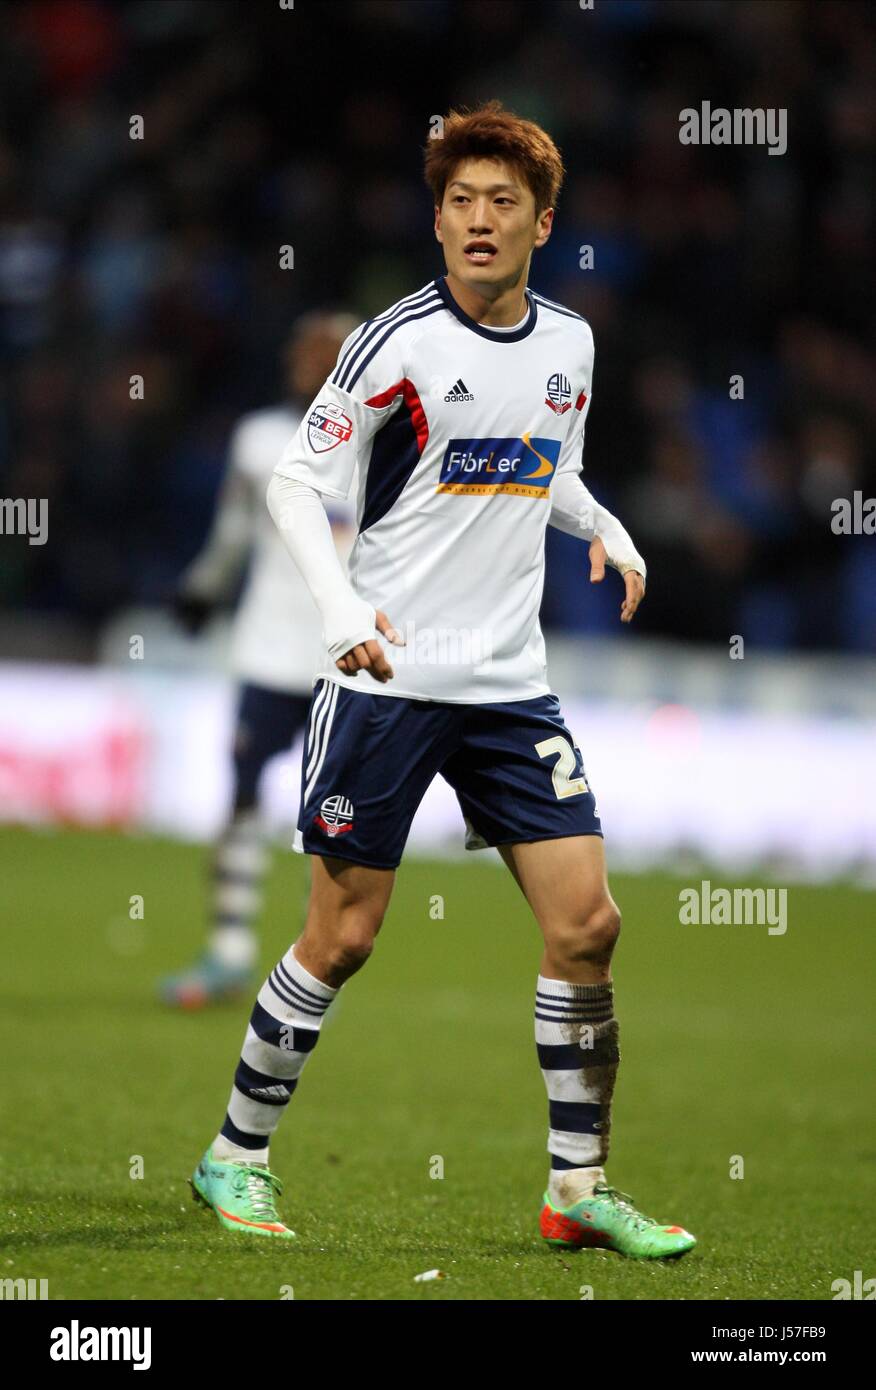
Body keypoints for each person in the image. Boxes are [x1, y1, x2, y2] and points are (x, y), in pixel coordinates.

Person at [189, 101, 695, 1260]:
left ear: (541, 223)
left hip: (511, 685)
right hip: (387, 680)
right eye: (460, 201)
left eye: (501, 203)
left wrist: (604, 525)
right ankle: (236, 1155)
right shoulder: (397, 341)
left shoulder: (570, 343)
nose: (478, 220)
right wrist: (338, 612)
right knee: (346, 934)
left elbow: (544, 467)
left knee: (589, 924)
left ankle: (577, 1187)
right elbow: (291, 482)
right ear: (437, 219)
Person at [160, 313, 358, 1007]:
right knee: (244, 789)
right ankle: (230, 949)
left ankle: (320, 960)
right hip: (271, 647)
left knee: (335, 814)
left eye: (329, 353)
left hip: (352, 658)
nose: (313, 364)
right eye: (305, 351)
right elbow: (235, 530)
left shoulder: (387, 447)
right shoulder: (258, 440)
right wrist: (202, 588)